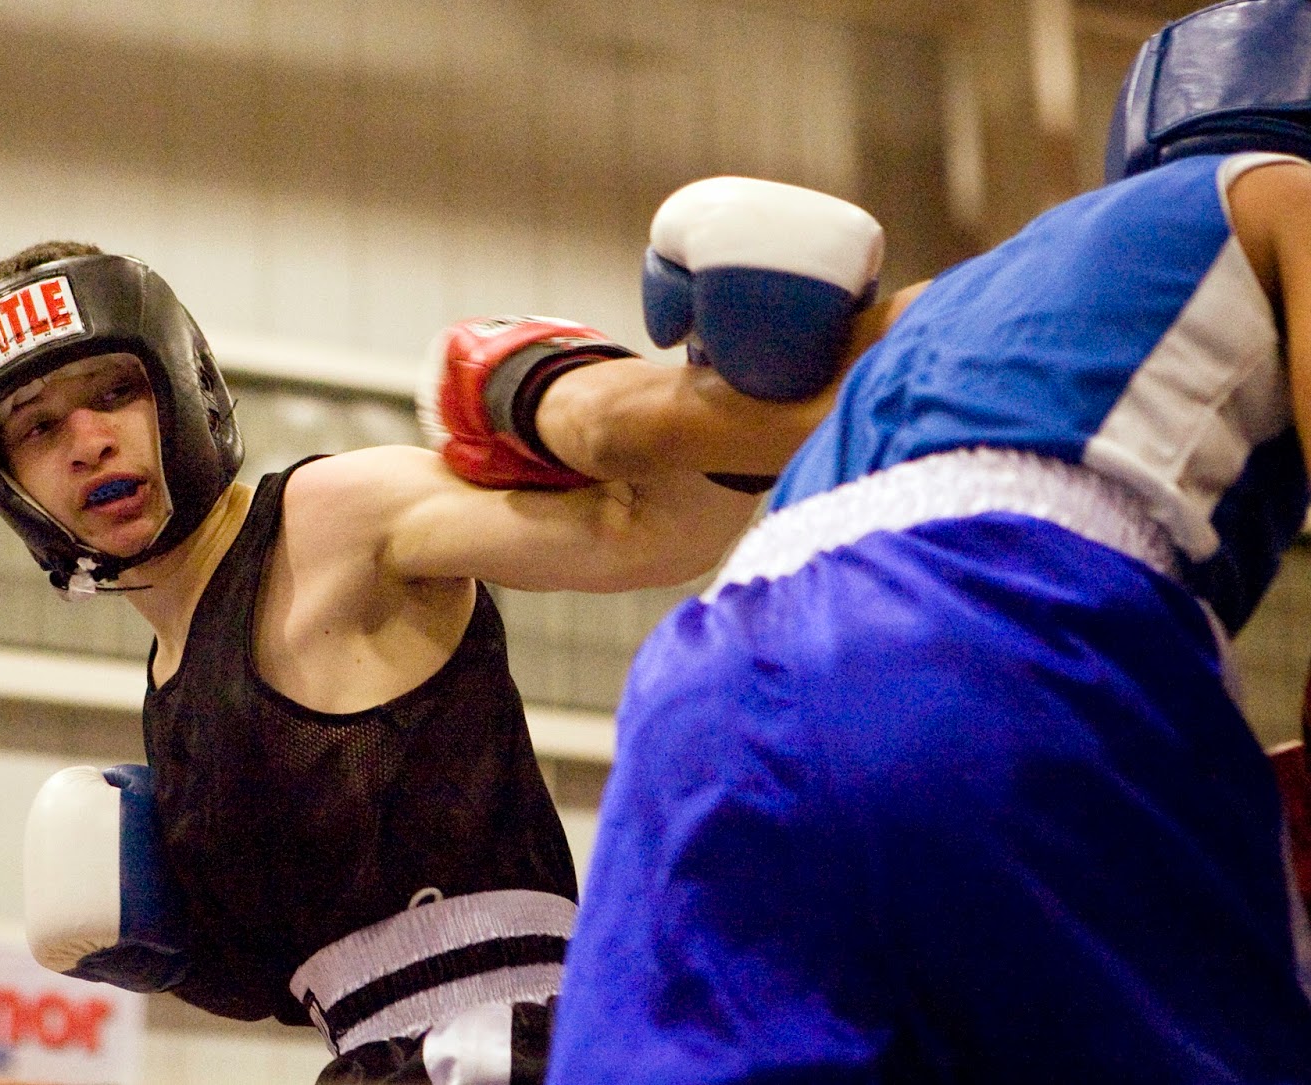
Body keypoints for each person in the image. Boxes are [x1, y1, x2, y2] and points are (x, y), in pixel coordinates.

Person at [534, 2, 1311, 1081]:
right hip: (1011, 636)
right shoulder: (1291, 200)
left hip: (716, 673)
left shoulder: (973, 290)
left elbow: (631, 421)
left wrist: (522, 390)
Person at [0, 231, 888, 1082]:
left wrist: (761, 375)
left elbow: (636, 528)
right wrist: (187, 949)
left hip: (518, 1043)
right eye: (38, 427)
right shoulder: (171, 685)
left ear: (183, 386)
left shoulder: (330, 519)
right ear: (10, 484)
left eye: (114, 393)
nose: (90, 442)